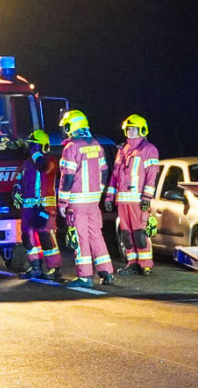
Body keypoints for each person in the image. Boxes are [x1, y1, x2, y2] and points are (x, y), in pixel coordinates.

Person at [56, 110, 115, 286]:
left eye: (66, 126)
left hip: (77, 202)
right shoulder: (97, 145)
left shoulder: (71, 148)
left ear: (72, 126)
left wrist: (62, 201)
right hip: (93, 202)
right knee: (96, 236)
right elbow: (104, 172)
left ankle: (85, 277)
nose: (65, 130)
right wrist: (99, 192)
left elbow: (67, 177)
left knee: (80, 238)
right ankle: (106, 273)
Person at [107, 114, 160, 276]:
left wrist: (146, 198)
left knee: (139, 233)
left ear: (142, 130)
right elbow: (114, 176)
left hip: (138, 201)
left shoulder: (149, 150)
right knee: (126, 235)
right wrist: (109, 197)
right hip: (122, 201)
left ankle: (146, 265)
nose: (130, 132)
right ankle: (132, 264)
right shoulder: (122, 150)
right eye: (128, 129)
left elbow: (152, 176)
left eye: (134, 130)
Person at [13, 129, 61, 281]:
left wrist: (36, 154)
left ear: (43, 146)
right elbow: (19, 179)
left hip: (44, 207)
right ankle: (35, 267)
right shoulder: (27, 163)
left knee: (46, 237)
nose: (32, 148)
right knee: (27, 237)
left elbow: (43, 167)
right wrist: (16, 190)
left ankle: (54, 268)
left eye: (35, 145)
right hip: (28, 207)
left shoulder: (50, 161)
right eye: (31, 145)